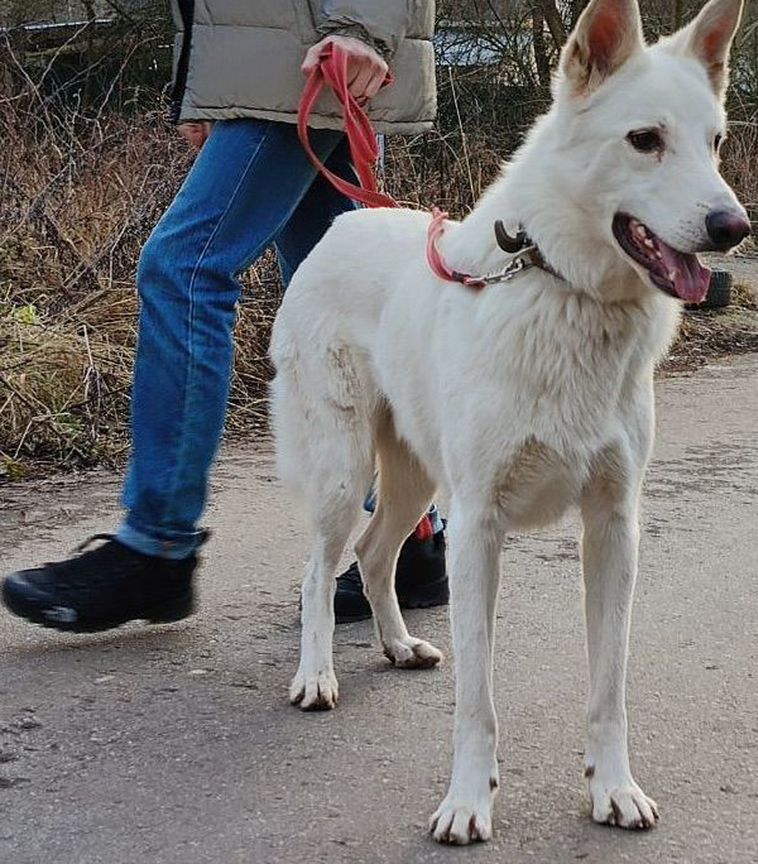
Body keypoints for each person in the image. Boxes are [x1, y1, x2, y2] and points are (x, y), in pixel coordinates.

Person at [2, 1, 447, 633]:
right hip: (275, 63)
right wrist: (202, 88)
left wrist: (360, 28)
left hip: (304, 57)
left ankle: (158, 543)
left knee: (183, 269)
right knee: (339, 294)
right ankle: (415, 536)